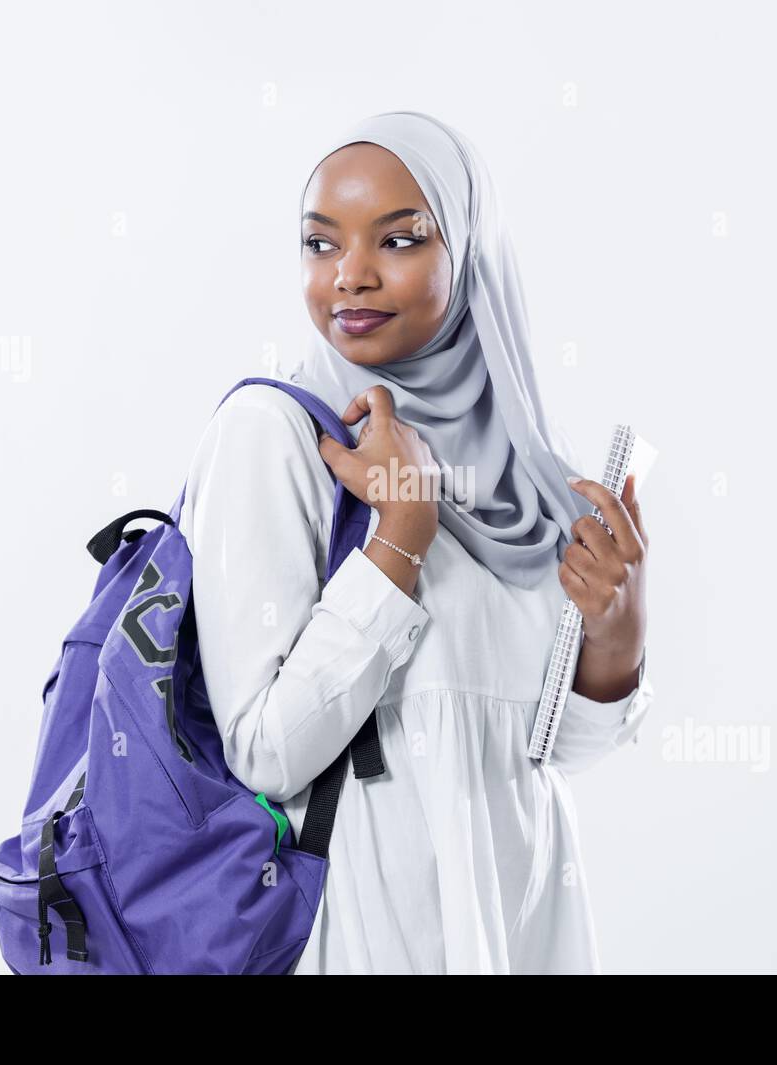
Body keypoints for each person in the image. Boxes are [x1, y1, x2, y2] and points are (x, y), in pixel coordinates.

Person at [178, 110, 653, 974]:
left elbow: (546, 753)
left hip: (518, 925)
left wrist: (616, 635)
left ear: (469, 253)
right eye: (320, 245)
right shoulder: (278, 433)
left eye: (397, 240)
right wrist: (400, 533)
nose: (349, 277)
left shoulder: (532, 468)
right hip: (361, 928)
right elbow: (262, 751)